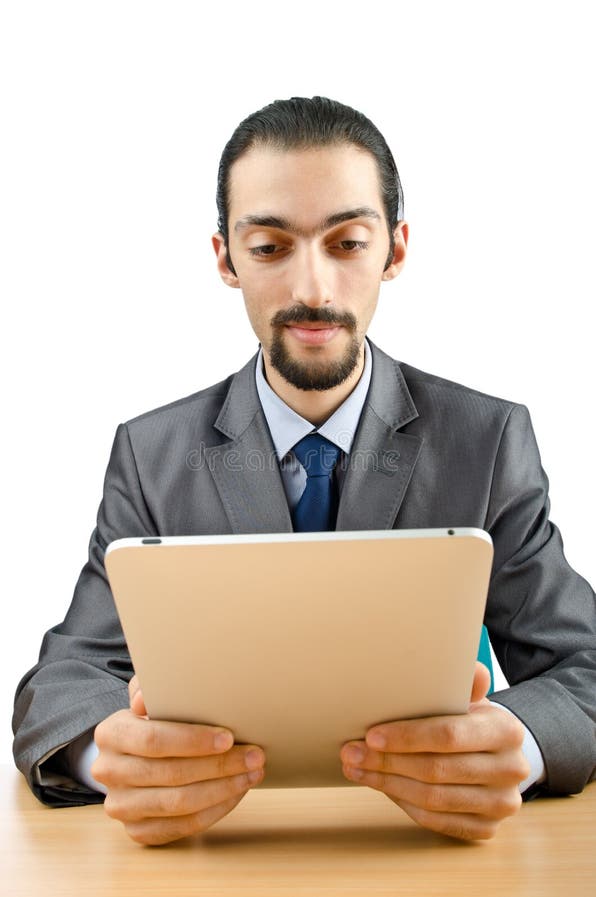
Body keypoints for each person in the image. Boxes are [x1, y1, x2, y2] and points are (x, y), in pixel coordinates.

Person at [12, 96, 595, 847]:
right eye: (269, 247)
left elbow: (584, 667)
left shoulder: (488, 439)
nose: (313, 291)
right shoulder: (151, 454)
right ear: (225, 257)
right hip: (215, 855)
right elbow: (58, 683)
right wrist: (108, 758)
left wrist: (517, 745)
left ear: (396, 250)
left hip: (428, 855)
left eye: (348, 243)